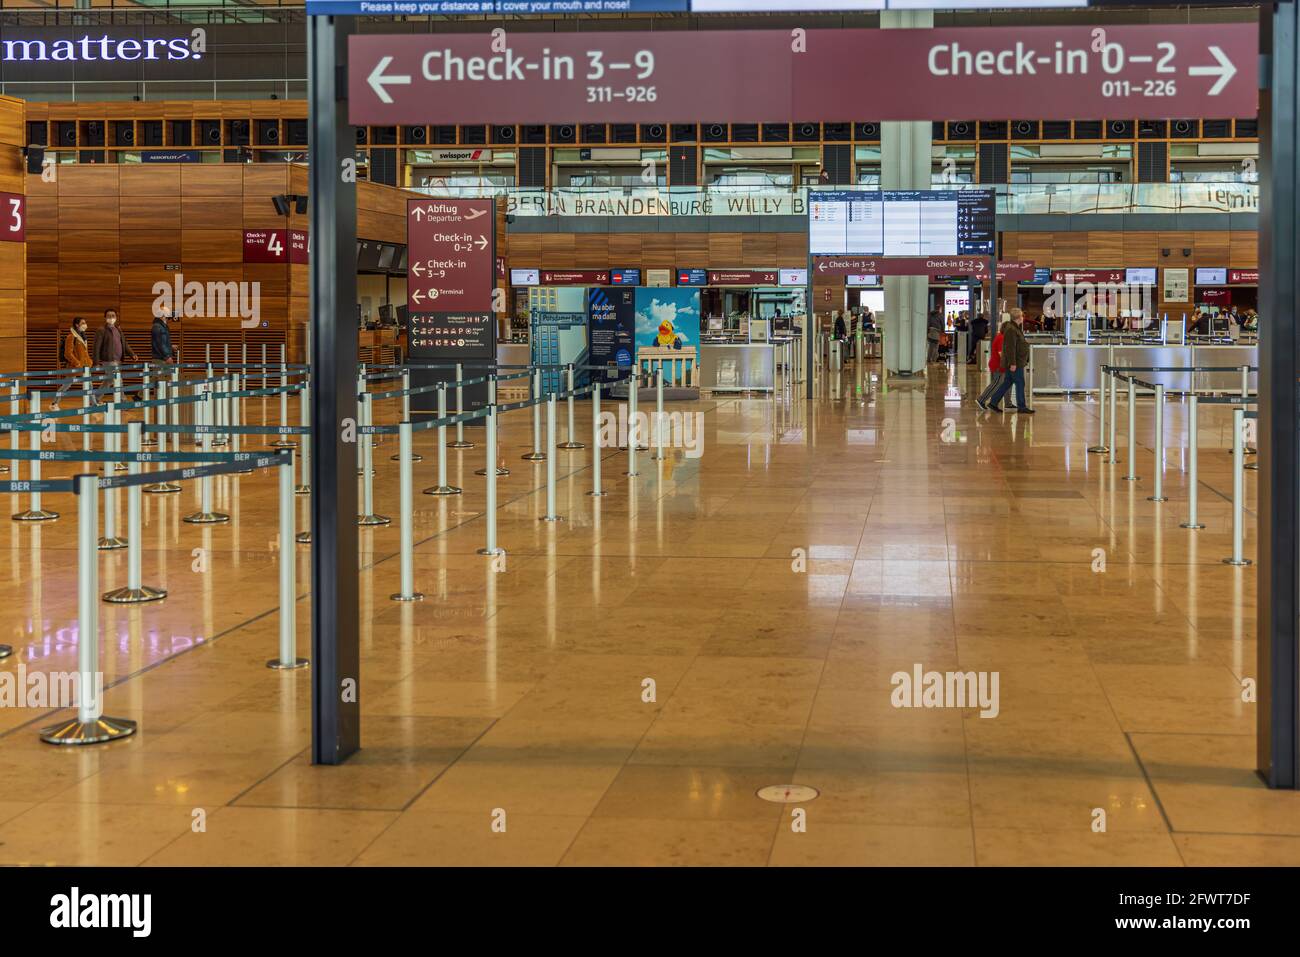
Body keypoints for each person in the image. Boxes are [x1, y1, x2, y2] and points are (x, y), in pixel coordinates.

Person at [984, 307, 1034, 414]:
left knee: (1007, 383)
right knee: (1020, 382)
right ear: (1018, 317)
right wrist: (1012, 363)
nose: (1023, 317)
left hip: (1016, 361)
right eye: (1022, 316)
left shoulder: (1015, 327)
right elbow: (1010, 348)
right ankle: (1021, 406)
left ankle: (993, 403)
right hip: (1015, 362)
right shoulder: (1011, 329)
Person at [91, 308, 137, 401]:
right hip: (108, 360)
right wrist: (96, 362)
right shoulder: (101, 330)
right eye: (109, 316)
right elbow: (96, 346)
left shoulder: (118, 329)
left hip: (118, 360)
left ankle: (95, 399)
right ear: (105, 317)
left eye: (113, 316)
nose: (111, 317)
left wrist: (132, 354)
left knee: (108, 381)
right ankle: (122, 400)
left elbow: (124, 343)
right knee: (118, 379)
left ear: (116, 317)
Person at [52, 316, 92, 411]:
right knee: (66, 385)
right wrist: (76, 363)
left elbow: (84, 352)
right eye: (83, 323)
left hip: (85, 366)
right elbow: (67, 353)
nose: (85, 325)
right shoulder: (71, 337)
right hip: (75, 366)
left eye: (85, 322)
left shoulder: (83, 336)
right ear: (77, 325)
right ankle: (54, 403)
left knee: (89, 385)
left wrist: (89, 361)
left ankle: (93, 404)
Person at [975, 321, 1005, 411]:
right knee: (996, 383)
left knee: (997, 384)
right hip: (998, 365)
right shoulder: (1001, 338)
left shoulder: (1000, 336)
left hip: (998, 364)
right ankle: (981, 399)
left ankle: (991, 402)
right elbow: (1001, 354)